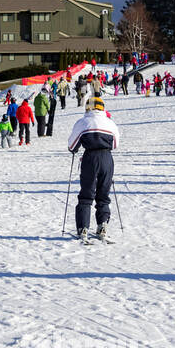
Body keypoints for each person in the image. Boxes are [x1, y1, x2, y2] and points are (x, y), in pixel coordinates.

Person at [67, 96, 119, 243]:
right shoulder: (110, 123)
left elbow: (72, 145)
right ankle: (102, 226)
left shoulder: (83, 122)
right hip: (107, 159)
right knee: (104, 193)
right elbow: (116, 143)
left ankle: (83, 227)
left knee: (87, 193)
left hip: (90, 158)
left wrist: (76, 148)